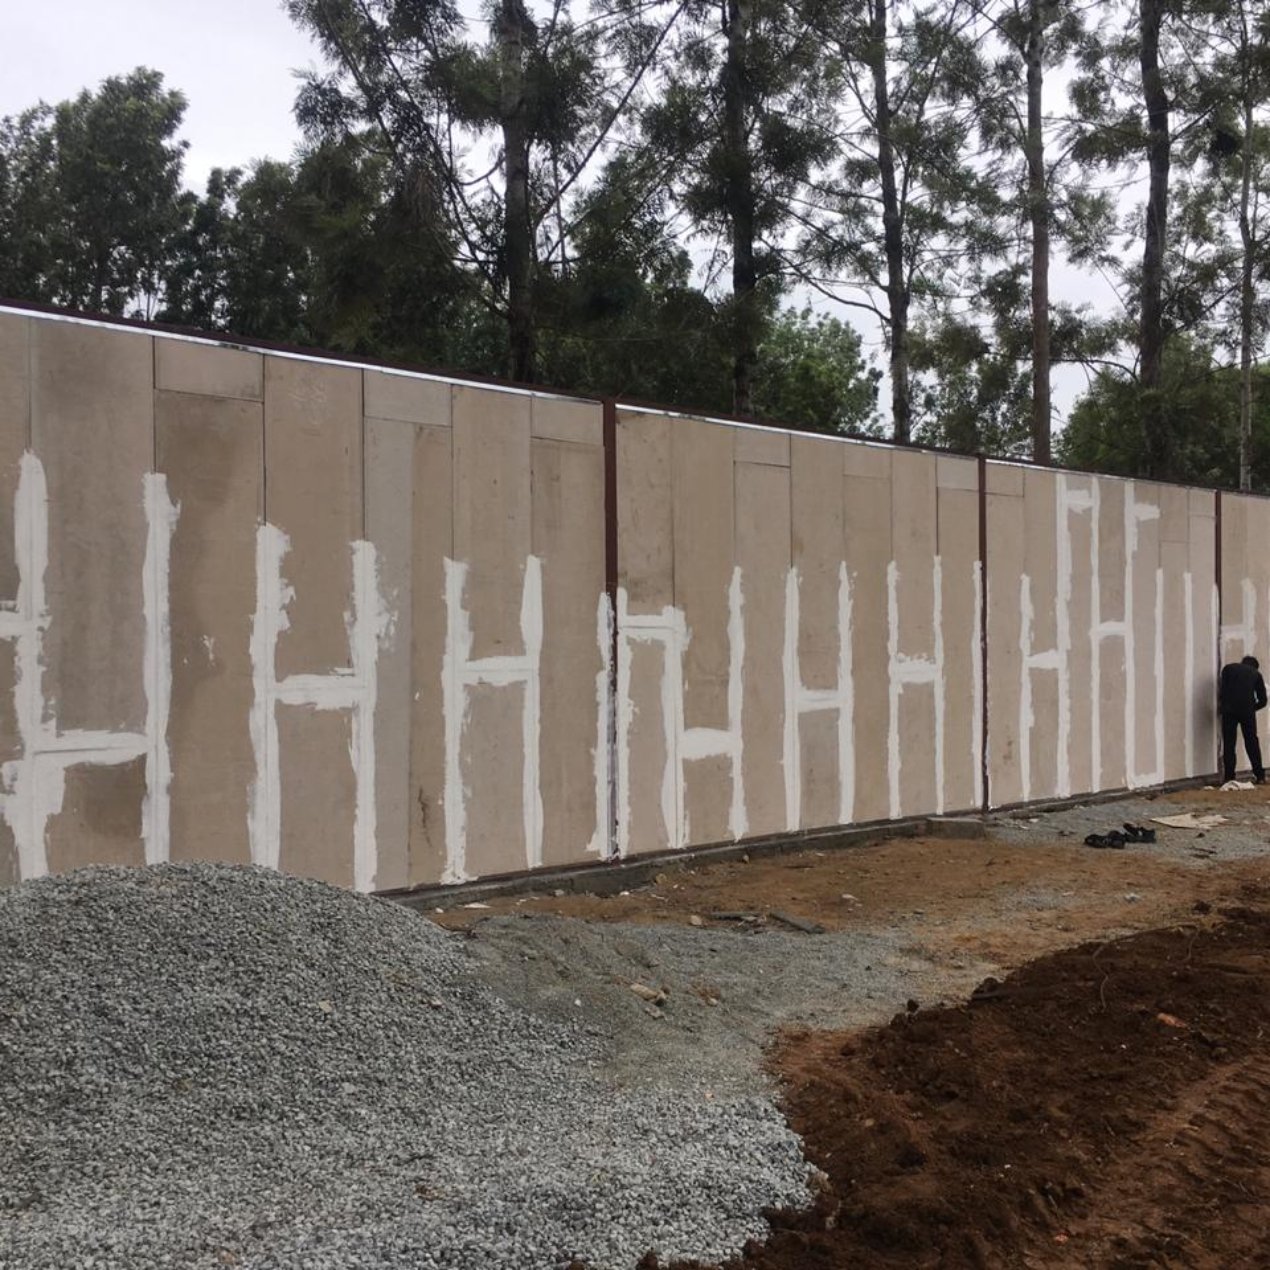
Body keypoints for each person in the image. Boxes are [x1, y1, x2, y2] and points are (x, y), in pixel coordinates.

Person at [1219, 654, 1267, 784]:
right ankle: (1260, 776)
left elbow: (1223, 690)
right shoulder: (1256, 674)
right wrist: (1252, 708)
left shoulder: (1228, 669)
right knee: (1251, 742)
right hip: (1247, 712)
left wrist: (1223, 707)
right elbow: (1263, 700)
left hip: (1229, 711)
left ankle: (1229, 777)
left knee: (1229, 743)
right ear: (1255, 666)